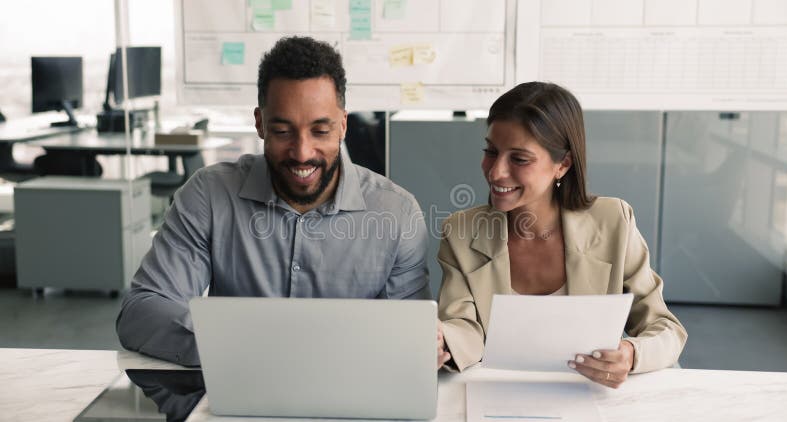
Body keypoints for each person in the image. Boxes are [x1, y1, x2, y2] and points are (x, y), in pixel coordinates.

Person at [117, 36, 431, 366]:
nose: (302, 152)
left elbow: (410, 342)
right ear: (260, 123)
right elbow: (142, 311)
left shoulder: (397, 213)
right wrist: (248, 352)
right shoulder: (209, 195)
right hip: (236, 396)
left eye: (320, 131)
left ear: (342, 126)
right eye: (283, 131)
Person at [436, 82, 687, 388]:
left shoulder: (613, 222)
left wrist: (631, 353)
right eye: (491, 151)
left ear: (563, 164)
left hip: (586, 395)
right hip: (499, 395)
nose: (496, 171)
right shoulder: (461, 232)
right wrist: (444, 343)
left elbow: (665, 329)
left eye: (519, 159)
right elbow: (465, 328)